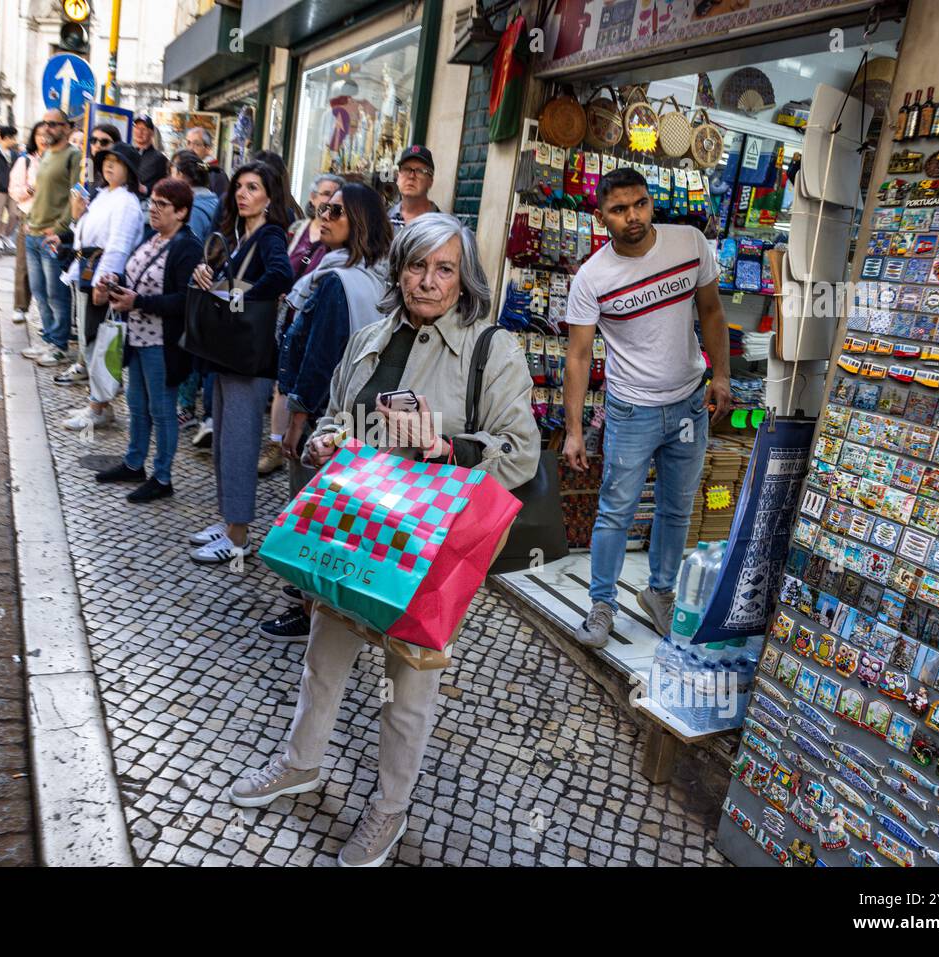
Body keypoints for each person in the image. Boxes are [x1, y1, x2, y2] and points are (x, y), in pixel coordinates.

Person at [229, 214, 539, 867]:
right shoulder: (370, 336)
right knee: (324, 654)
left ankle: (389, 809)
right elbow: (348, 417)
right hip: (357, 528)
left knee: (407, 688)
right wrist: (328, 439)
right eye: (417, 265)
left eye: (444, 268)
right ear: (398, 267)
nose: (428, 280)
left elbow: (520, 455)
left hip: (429, 544)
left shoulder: (493, 349)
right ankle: (300, 763)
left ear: (465, 278)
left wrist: (447, 447)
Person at [562, 167, 732, 648]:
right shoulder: (593, 277)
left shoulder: (689, 243)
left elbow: (712, 312)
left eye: (639, 204)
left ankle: (660, 593)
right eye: (619, 209)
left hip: (688, 404)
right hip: (630, 411)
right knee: (616, 510)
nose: (632, 217)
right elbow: (577, 356)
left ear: (650, 202)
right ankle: (601, 605)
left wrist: (720, 375)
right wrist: (573, 430)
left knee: (677, 508)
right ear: (602, 217)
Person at [259, 183, 393, 642]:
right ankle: (329, 608)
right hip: (359, 418)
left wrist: (296, 419)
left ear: (360, 222)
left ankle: (306, 611)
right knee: (341, 517)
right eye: (322, 207)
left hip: (323, 418)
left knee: (311, 514)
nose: (324, 215)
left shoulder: (338, 281)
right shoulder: (375, 276)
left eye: (337, 210)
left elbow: (320, 357)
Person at [187, 162, 295, 563]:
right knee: (223, 444)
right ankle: (227, 520)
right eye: (239, 187)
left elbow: (282, 275)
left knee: (238, 443)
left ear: (269, 196)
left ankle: (239, 535)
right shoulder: (239, 235)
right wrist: (209, 274)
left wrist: (241, 297)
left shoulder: (269, 234)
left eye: (253, 187)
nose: (243, 193)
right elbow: (230, 278)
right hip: (227, 351)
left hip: (249, 357)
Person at [93, 177, 203, 501]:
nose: (153, 209)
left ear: (181, 212)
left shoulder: (188, 246)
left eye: (162, 205)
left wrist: (138, 302)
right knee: (137, 405)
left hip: (162, 343)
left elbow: (185, 300)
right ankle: (133, 462)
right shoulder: (151, 238)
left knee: (162, 410)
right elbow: (136, 276)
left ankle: (163, 477)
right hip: (137, 337)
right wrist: (115, 282)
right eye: (152, 202)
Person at [256, 172, 346, 477]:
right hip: (290, 315)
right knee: (285, 385)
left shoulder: (337, 274)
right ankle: (277, 445)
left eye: (336, 203)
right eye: (324, 197)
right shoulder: (298, 230)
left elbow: (321, 355)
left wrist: (299, 419)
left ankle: (287, 445)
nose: (327, 209)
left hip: (307, 329)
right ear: (312, 198)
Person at [59, 141, 147, 432]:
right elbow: (85, 233)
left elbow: (119, 246)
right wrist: (78, 214)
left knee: (103, 341)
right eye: (106, 161)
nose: (109, 166)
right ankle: (98, 403)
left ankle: (99, 406)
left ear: (129, 170)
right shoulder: (104, 195)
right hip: (88, 270)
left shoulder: (126, 202)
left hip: (103, 275)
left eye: (116, 162)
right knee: (92, 339)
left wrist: (104, 282)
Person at [20, 109, 82, 368]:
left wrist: (59, 227)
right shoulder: (45, 154)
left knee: (57, 294)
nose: (48, 128)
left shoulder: (73, 155)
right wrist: (29, 219)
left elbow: (77, 194)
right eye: (45, 124)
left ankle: (59, 345)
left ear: (67, 128)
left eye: (54, 124)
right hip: (33, 233)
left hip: (51, 237)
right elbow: (41, 192)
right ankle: (48, 338)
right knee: (39, 291)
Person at [8, 122, 47, 322]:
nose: (43, 138)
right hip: (29, 215)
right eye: (39, 134)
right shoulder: (26, 161)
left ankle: (45, 311)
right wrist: (31, 189)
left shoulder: (59, 160)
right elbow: (14, 190)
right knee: (23, 262)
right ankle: (21, 306)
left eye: (47, 134)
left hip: (52, 218)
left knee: (48, 266)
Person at [168, 150, 219, 242]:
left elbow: (188, 249)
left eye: (172, 172)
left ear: (180, 175)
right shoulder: (211, 199)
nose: (170, 178)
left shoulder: (193, 210)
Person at [387, 145, 441, 231]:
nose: (411, 176)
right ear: (398, 177)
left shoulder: (441, 226)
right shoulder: (385, 219)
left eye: (420, 171)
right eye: (406, 169)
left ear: (430, 181)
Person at [131, 114, 169, 198]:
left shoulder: (159, 158)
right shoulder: (129, 152)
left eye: (143, 129)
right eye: (137, 128)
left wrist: (146, 189)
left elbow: (162, 184)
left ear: (151, 132)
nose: (139, 132)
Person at [185, 125, 229, 196]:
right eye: (188, 143)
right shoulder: (193, 168)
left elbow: (222, 203)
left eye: (197, 144)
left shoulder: (216, 173)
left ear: (208, 149)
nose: (191, 148)